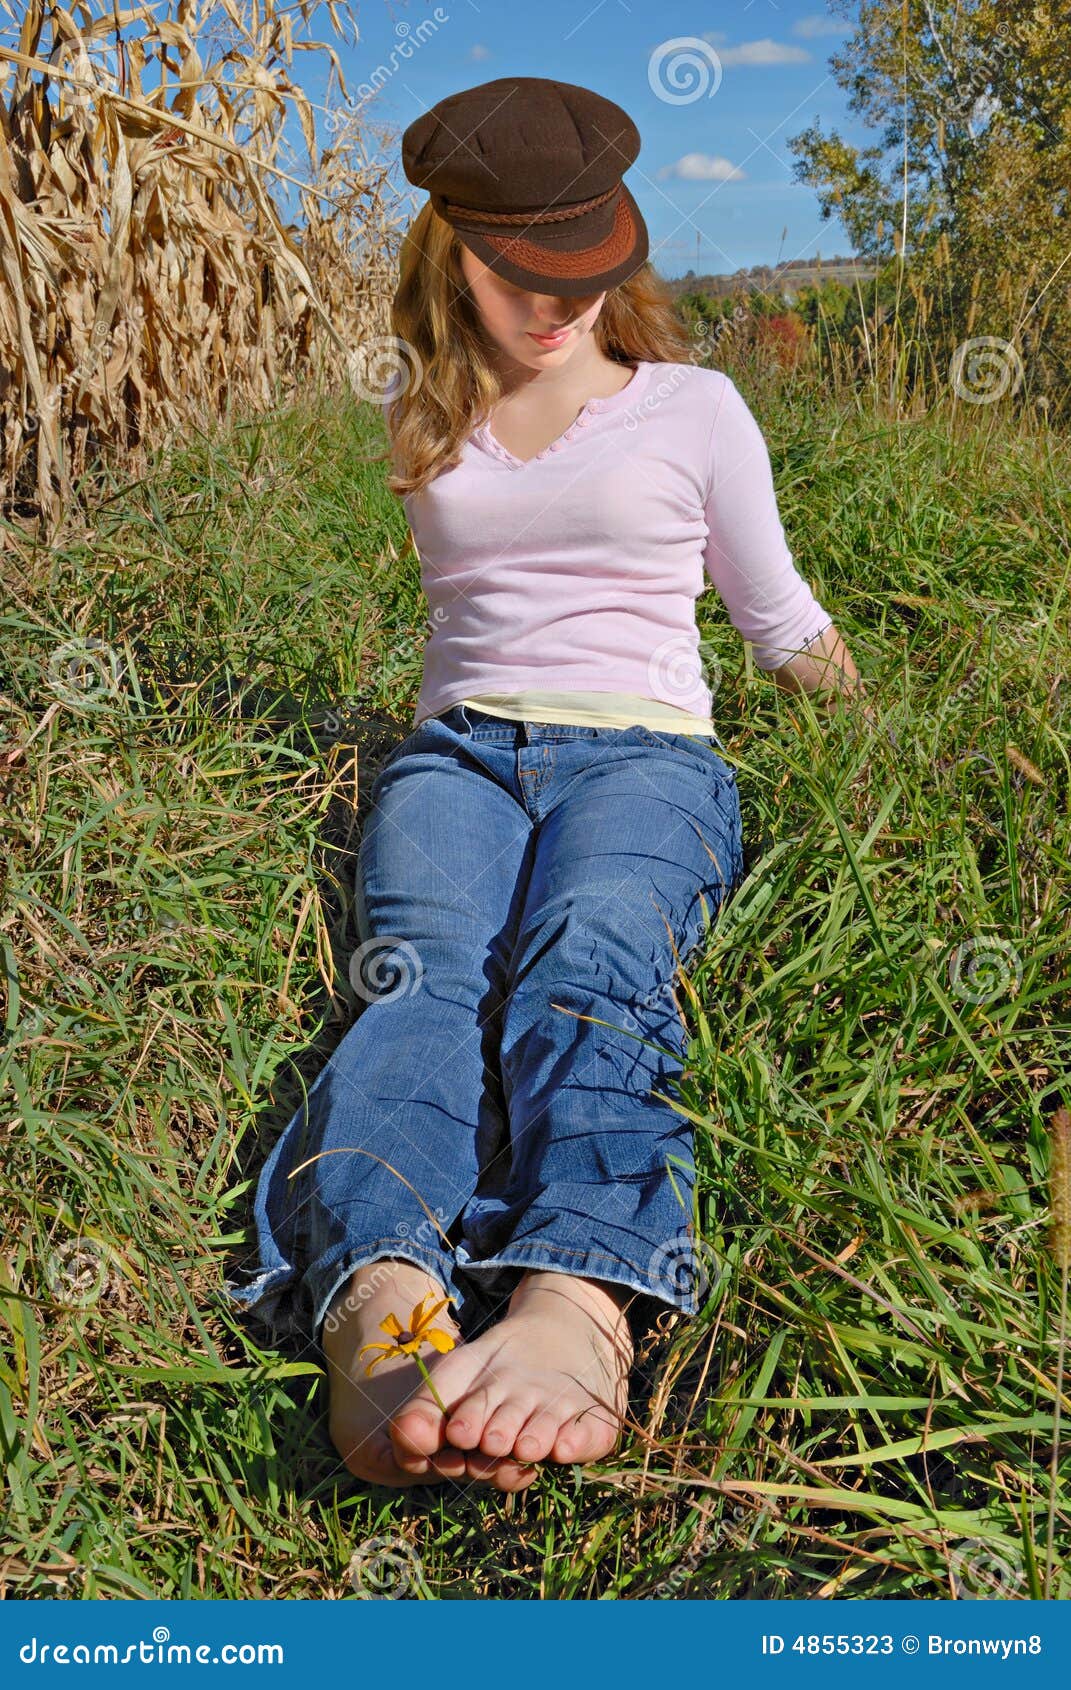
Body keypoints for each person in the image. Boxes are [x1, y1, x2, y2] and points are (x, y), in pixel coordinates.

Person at [226, 76, 866, 1494]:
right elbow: (472, 617)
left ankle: (576, 1295)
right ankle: (380, 1301)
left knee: (592, 958)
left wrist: (875, 722)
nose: (554, 302)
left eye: (581, 262)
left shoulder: (695, 408)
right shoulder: (421, 407)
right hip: (459, 751)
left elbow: (777, 619)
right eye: (516, 269)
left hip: (648, 754)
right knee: (423, 976)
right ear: (447, 250)